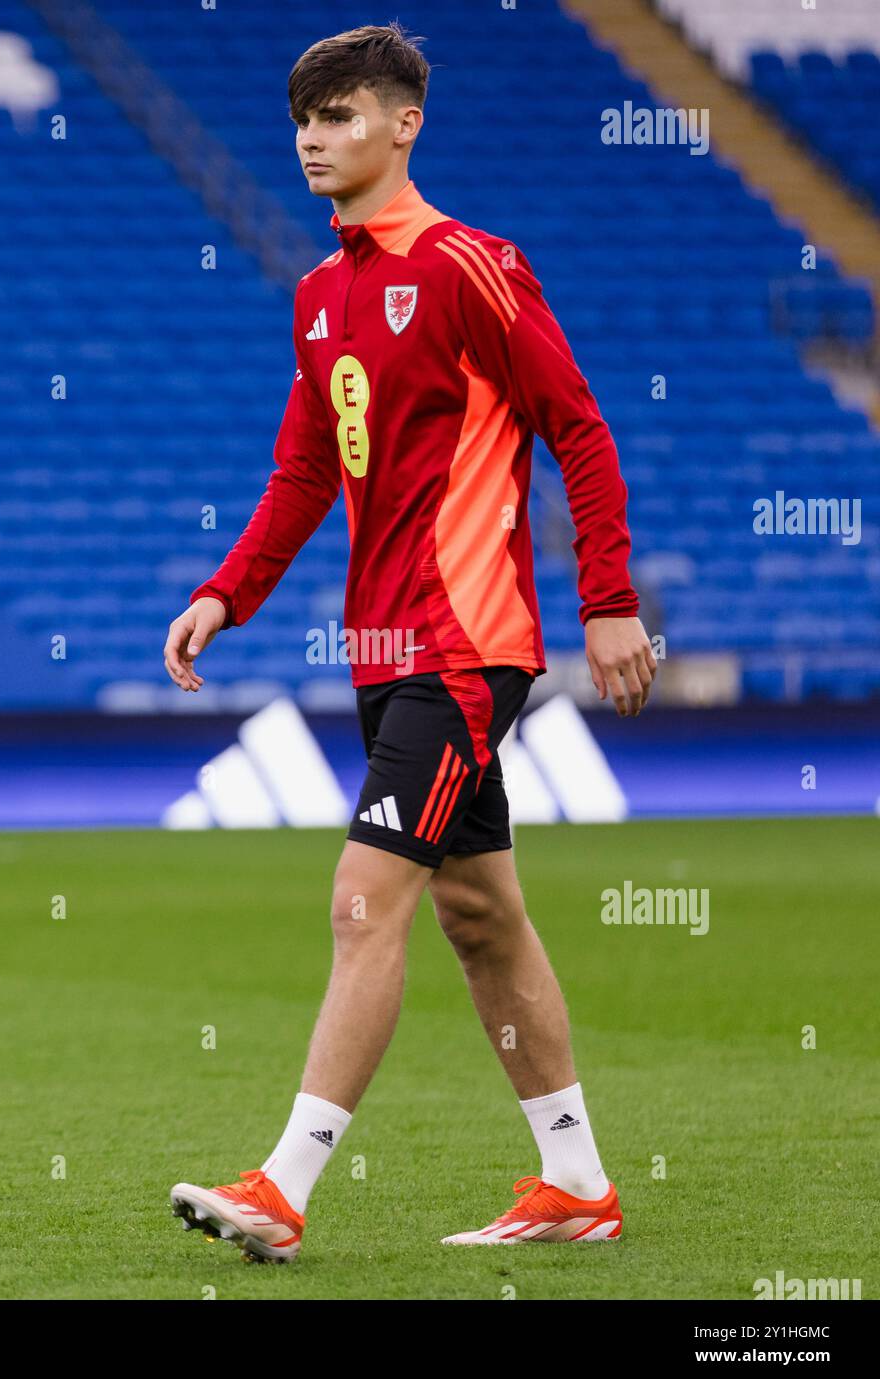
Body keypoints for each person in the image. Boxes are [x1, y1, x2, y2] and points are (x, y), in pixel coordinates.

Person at [164, 22, 656, 1263]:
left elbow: (579, 428)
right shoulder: (320, 295)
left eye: (338, 115)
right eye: (303, 120)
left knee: (360, 901)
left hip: (464, 643)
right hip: (380, 652)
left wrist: (606, 597)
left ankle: (281, 1187)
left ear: (402, 125)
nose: (313, 140)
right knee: (479, 915)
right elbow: (302, 474)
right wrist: (227, 592)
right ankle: (578, 1183)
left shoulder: (470, 266)